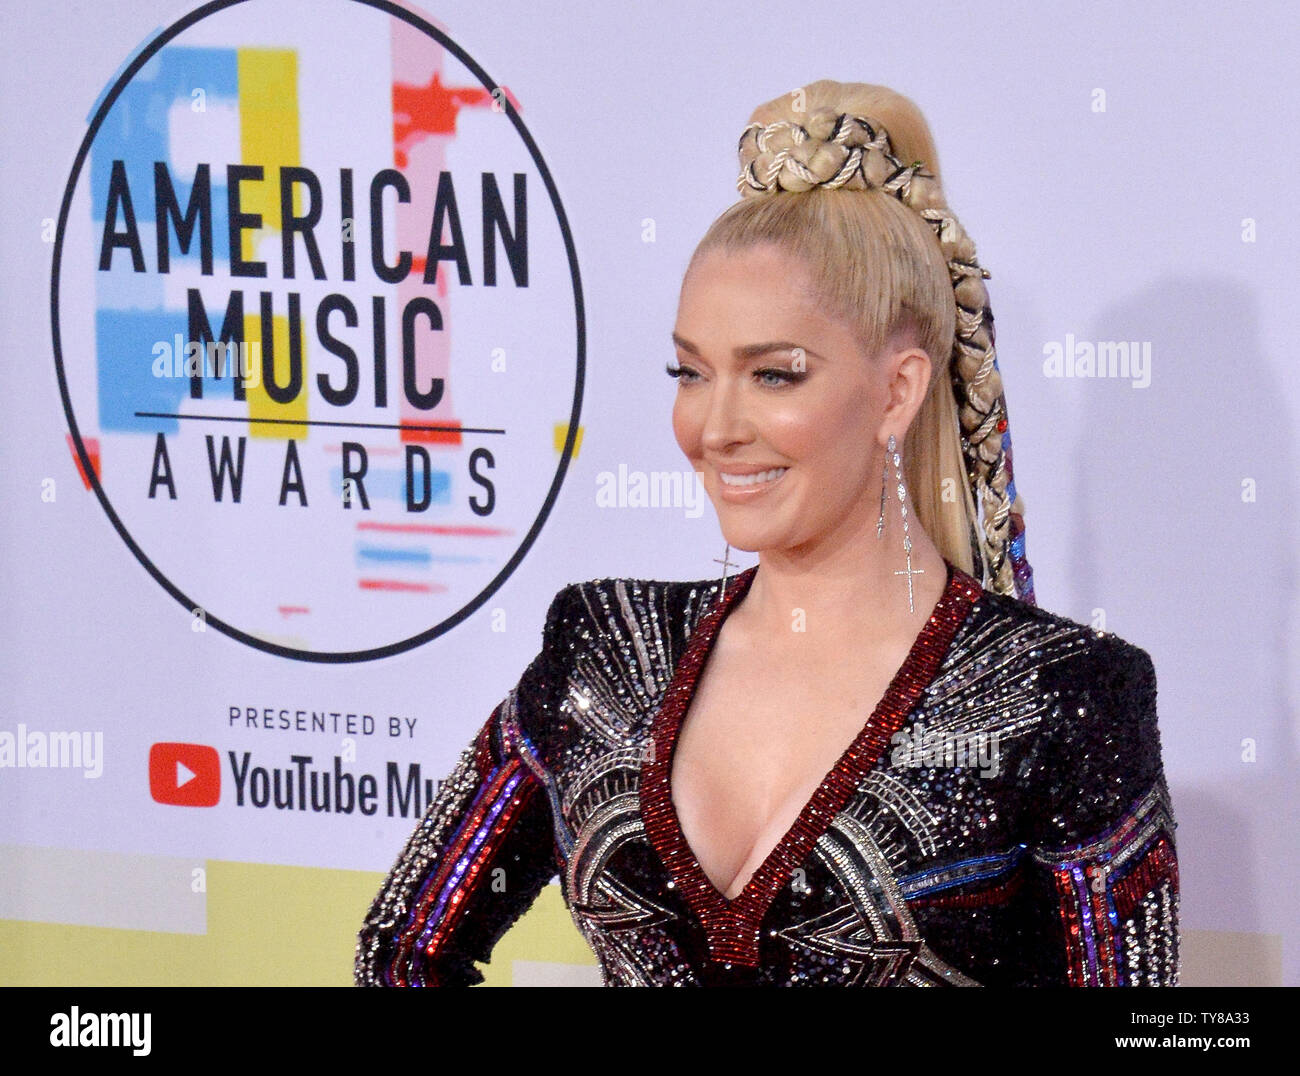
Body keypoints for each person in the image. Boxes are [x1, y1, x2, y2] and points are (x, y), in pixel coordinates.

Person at [354, 80, 1179, 987]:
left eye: (775, 376)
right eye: (692, 372)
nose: (715, 428)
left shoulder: (1061, 692)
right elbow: (401, 949)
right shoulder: (606, 651)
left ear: (897, 391)